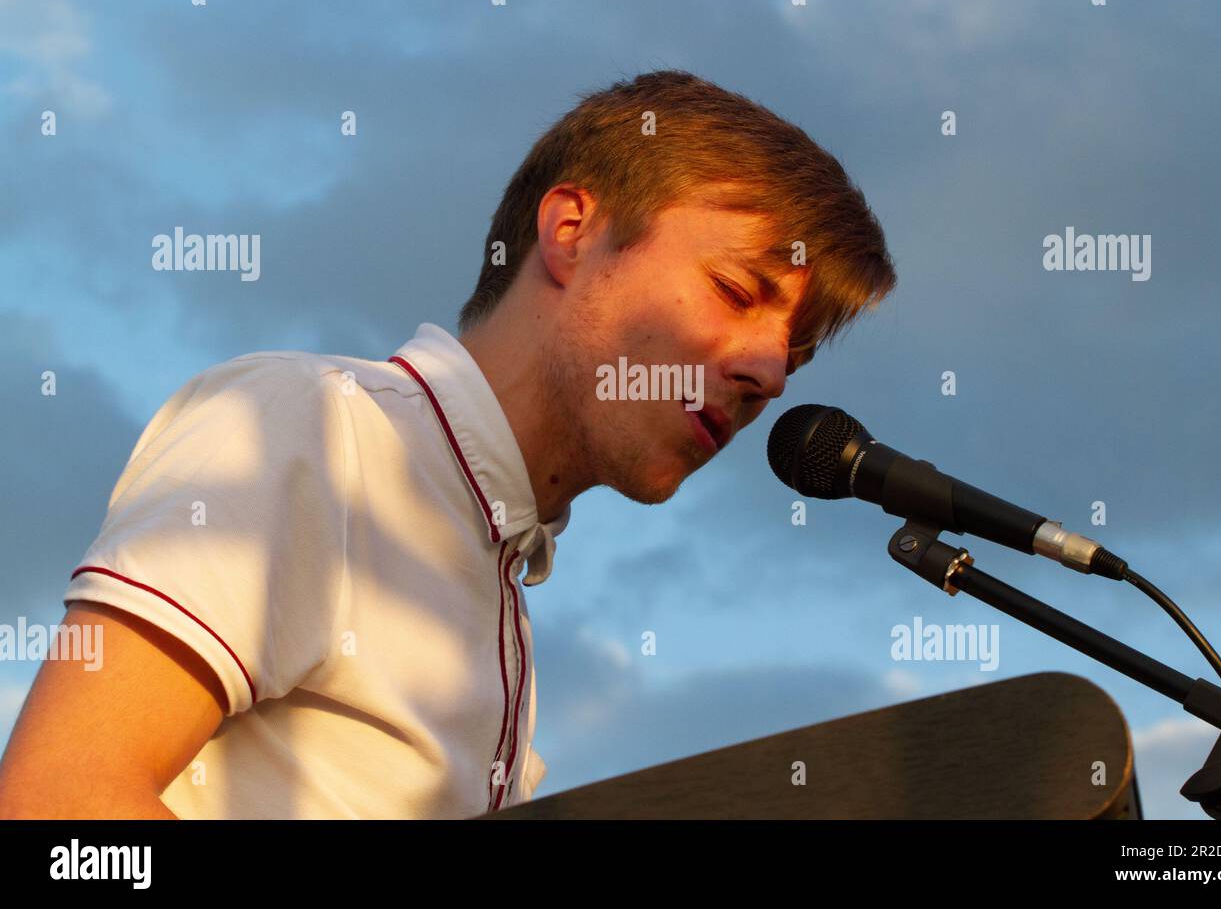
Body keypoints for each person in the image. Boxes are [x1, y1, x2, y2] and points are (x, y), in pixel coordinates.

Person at [0, 70, 895, 818]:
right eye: (738, 290)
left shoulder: (496, 582)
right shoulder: (317, 428)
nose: (770, 372)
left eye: (797, 353)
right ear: (571, 233)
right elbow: (55, 806)